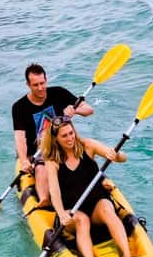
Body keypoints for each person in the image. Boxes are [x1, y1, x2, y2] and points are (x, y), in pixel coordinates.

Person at [42, 116, 131, 257]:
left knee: (107, 209)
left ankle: (127, 256)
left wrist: (116, 155)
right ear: (56, 139)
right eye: (64, 136)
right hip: (73, 210)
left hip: (96, 205)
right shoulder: (52, 161)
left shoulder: (88, 146)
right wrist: (61, 214)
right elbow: (54, 191)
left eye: (71, 133)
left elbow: (123, 158)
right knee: (82, 220)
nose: (70, 138)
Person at [12, 63, 93, 207]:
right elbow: (20, 137)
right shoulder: (19, 107)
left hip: (63, 144)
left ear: (46, 80)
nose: (40, 88)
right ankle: (44, 201)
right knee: (42, 167)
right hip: (39, 151)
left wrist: (75, 111)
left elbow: (89, 109)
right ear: (28, 85)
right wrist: (24, 160)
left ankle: (95, 183)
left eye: (42, 83)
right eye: (35, 85)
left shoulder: (58, 93)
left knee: (84, 151)